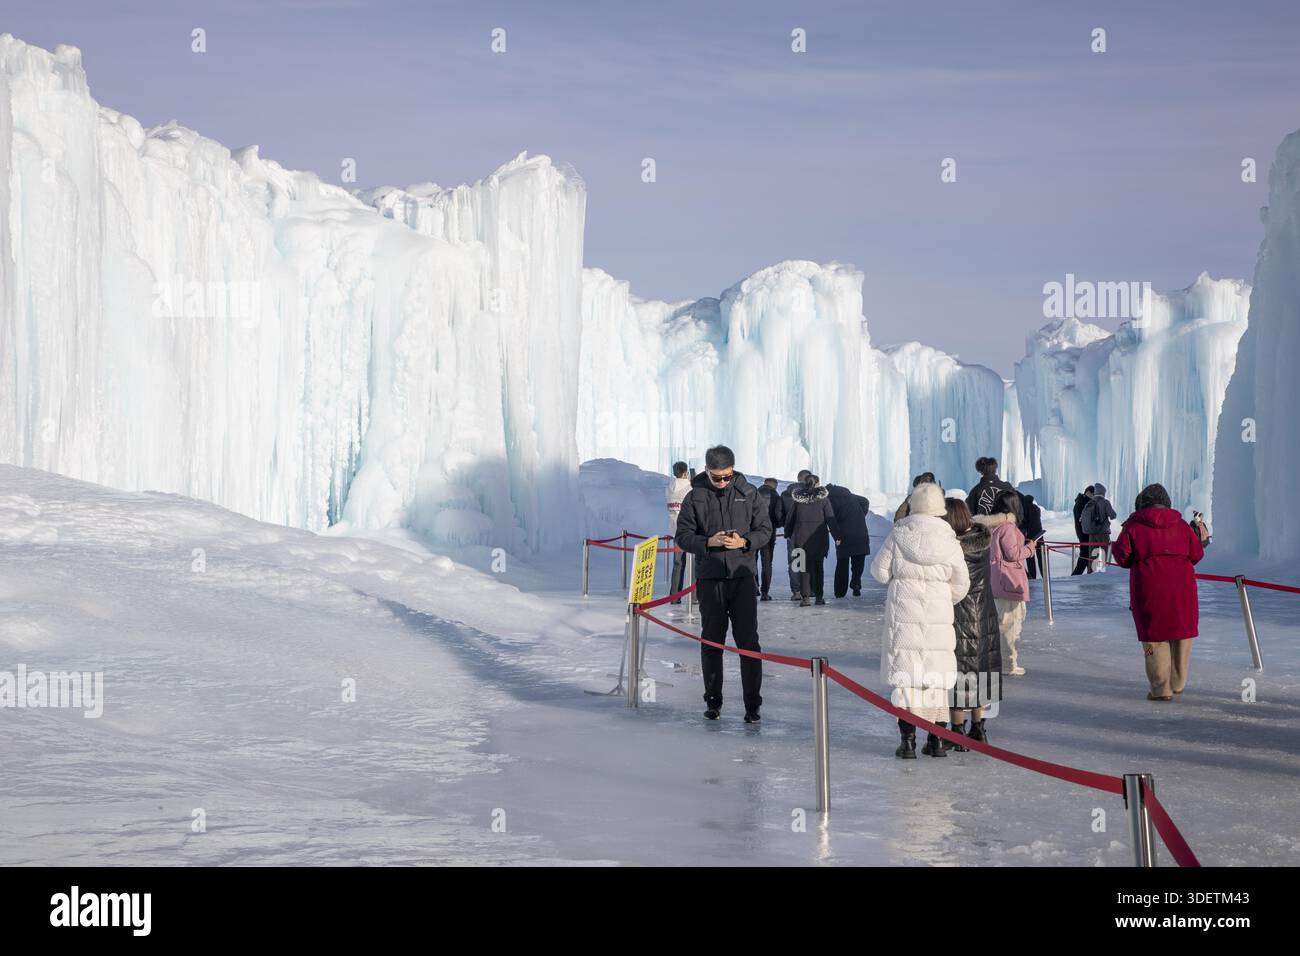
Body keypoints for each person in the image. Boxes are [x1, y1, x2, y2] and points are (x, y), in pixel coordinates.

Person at [871, 482, 970, 758]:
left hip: (904, 620)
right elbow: (962, 585)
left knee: (907, 683)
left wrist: (901, 581)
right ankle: (937, 742)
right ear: (939, 507)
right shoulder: (949, 540)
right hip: (937, 623)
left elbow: (878, 572)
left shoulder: (898, 534)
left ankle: (908, 743)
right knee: (936, 683)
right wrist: (941, 599)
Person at [675, 446, 773, 723]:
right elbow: (682, 536)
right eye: (717, 478)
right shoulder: (694, 496)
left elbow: (765, 530)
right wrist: (708, 542)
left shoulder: (749, 493)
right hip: (710, 579)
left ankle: (753, 704)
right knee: (711, 642)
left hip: (742, 578)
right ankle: (713, 702)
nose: (723, 483)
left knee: (748, 643)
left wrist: (745, 542)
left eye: (727, 477)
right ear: (706, 471)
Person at [1111, 484, 1205, 701]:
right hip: (1182, 589)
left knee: (1155, 638)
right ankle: (1178, 683)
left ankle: (1161, 689)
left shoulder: (1134, 526)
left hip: (1149, 588)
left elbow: (1122, 557)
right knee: (1182, 634)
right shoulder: (1181, 525)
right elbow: (1197, 554)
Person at [940, 498, 1002, 748]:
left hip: (959, 615)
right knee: (981, 671)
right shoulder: (982, 543)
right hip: (984, 613)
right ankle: (979, 728)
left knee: (959, 674)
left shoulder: (953, 549)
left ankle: (956, 733)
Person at [974, 491, 1034, 676]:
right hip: (1008, 580)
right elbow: (1013, 554)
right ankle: (1008, 664)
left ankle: (993, 661)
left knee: (998, 623)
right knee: (1010, 624)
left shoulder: (992, 526)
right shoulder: (1007, 528)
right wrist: (1030, 549)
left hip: (994, 580)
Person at [784, 474, 841, 607]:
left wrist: (787, 532)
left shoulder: (798, 500)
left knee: (803, 568)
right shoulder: (824, 500)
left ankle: (805, 598)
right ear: (817, 483)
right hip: (819, 539)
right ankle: (819, 596)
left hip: (801, 539)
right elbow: (831, 519)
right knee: (818, 568)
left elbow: (790, 519)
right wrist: (837, 537)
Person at [826, 483, 871, 597]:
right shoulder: (850, 495)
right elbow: (865, 501)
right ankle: (856, 583)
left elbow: (831, 519)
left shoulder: (830, 499)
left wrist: (836, 536)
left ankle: (840, 592)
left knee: (842, 563)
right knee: (858, 561)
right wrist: (861, 514)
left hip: (843, 534)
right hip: (860, 532)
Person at [666, 461, 692, 602]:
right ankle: (695, 595)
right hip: (690, 530)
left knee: (678, 564)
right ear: (685, 473)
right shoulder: (689, 488)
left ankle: (674, 595)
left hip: (675, 530)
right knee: (695, 563)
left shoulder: (669, 488)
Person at [755, 477, 785, 601]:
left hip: (754, 532)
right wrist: (778, 524)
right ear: (775, 486)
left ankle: (754, 587)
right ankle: (765, 592)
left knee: (752, 560)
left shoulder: (755, 494)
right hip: (768, 532)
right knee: (767, 563)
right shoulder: (776, 496)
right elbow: (778, 514)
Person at [1081, 483, 1117, 572]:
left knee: (1092, 556)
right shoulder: (1105, 502)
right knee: (1104, 554)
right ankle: (1103, 574)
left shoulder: (1089, 503)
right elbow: (1113, 516)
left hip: (1092, 534)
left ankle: (1090, 573)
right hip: (1103, 533)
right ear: (1103, 492)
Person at [1019, 492, 1046, 579]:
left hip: (1029, 538)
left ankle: (1033, 577)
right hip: (1039, 536)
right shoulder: (1037, 508)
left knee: (1030, 558)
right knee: (1041, 558)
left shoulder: (1024, 510)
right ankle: (1044, 576)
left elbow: (1023, 524)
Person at [1071, 485, 1096, 575]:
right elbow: (1082, 519)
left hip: (1083, 532)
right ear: (1088, 492)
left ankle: (1076, 576)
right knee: (1085, 556)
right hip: (1084, 533)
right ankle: (1075, 576)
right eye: (1093, 494)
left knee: (1085, 556)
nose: (1094, 497)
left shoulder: (1082, 501)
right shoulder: (1082, 502)